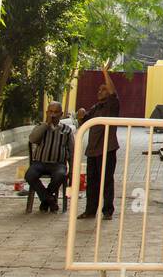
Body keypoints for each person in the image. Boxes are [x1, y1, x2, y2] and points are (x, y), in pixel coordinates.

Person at [76, 67, 122, 220]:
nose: (99, 91)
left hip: (107, 149)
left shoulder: (112, 105)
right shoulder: (96, 108)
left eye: (103, 89)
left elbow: (113, 91)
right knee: (92, 182)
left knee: (107, 180)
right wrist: (81, 113)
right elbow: (83, 120)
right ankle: (90, 211)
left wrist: (105, 72)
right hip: (92, 151)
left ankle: (107, 211)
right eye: (98, 90)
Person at [25, 101, 72, 213]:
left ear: (61, 114)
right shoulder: (40, 126)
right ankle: (50, 199)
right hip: (39, 163)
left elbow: (72, 151)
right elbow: (32, 139)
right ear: (47, 113)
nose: (53, 115)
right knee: (30, 175)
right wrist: (46, 125)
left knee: (60, 175)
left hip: (58, 164)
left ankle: (46, 200)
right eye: (50, 112)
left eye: (56, 112)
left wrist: (72, 170)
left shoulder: (67, 130)